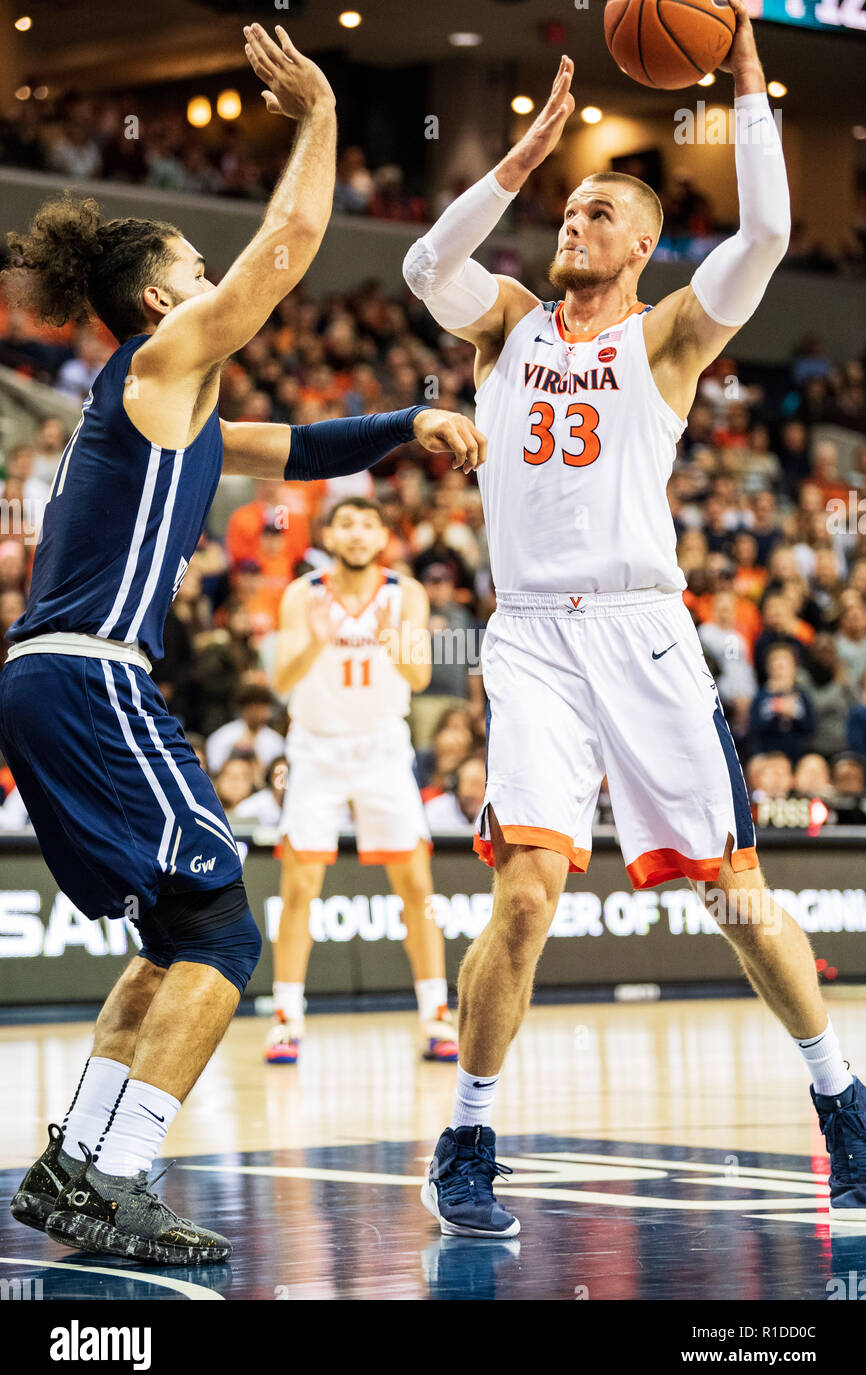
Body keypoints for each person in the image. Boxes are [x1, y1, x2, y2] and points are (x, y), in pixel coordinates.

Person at [3, 24, 483, 1266]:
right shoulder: (161, 358)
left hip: (53, 680)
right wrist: (320, 114)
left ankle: (75, 1167)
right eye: (196, 265)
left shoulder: (180, 409)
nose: (220, 278)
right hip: (93, 675)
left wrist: (410, 418)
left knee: (174, 938)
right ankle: (112, 1176)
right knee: (224, 934)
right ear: (165, 301)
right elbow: (289, 248)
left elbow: (295, 446)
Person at [403, 0, 865, 1237]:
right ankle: (469, 1131)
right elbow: (421, 271)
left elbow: (767, 228)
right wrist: (513, 162)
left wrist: (750, 79)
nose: (571, 222)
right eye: (564, 211)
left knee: (732, 892)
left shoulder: (666, 340)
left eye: (596, 211)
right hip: (530, 636)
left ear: (647, 242)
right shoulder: (506, 320)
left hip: (643, 632)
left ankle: (839, 1096)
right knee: (524, 892)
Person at [266, 496, 458, 1065]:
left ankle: (435, 1015)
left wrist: (391, 635)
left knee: (416, 887)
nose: (356, 534)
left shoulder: (407, 594)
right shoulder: (304, 594)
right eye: (345, 524)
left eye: (367, 525)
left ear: (382, 537)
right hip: (316, 750)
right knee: (299, 887)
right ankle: (286, 1019)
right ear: (330, 534)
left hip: (381, 749)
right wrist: (317, 638)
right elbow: (280, 677)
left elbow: (420, 675)